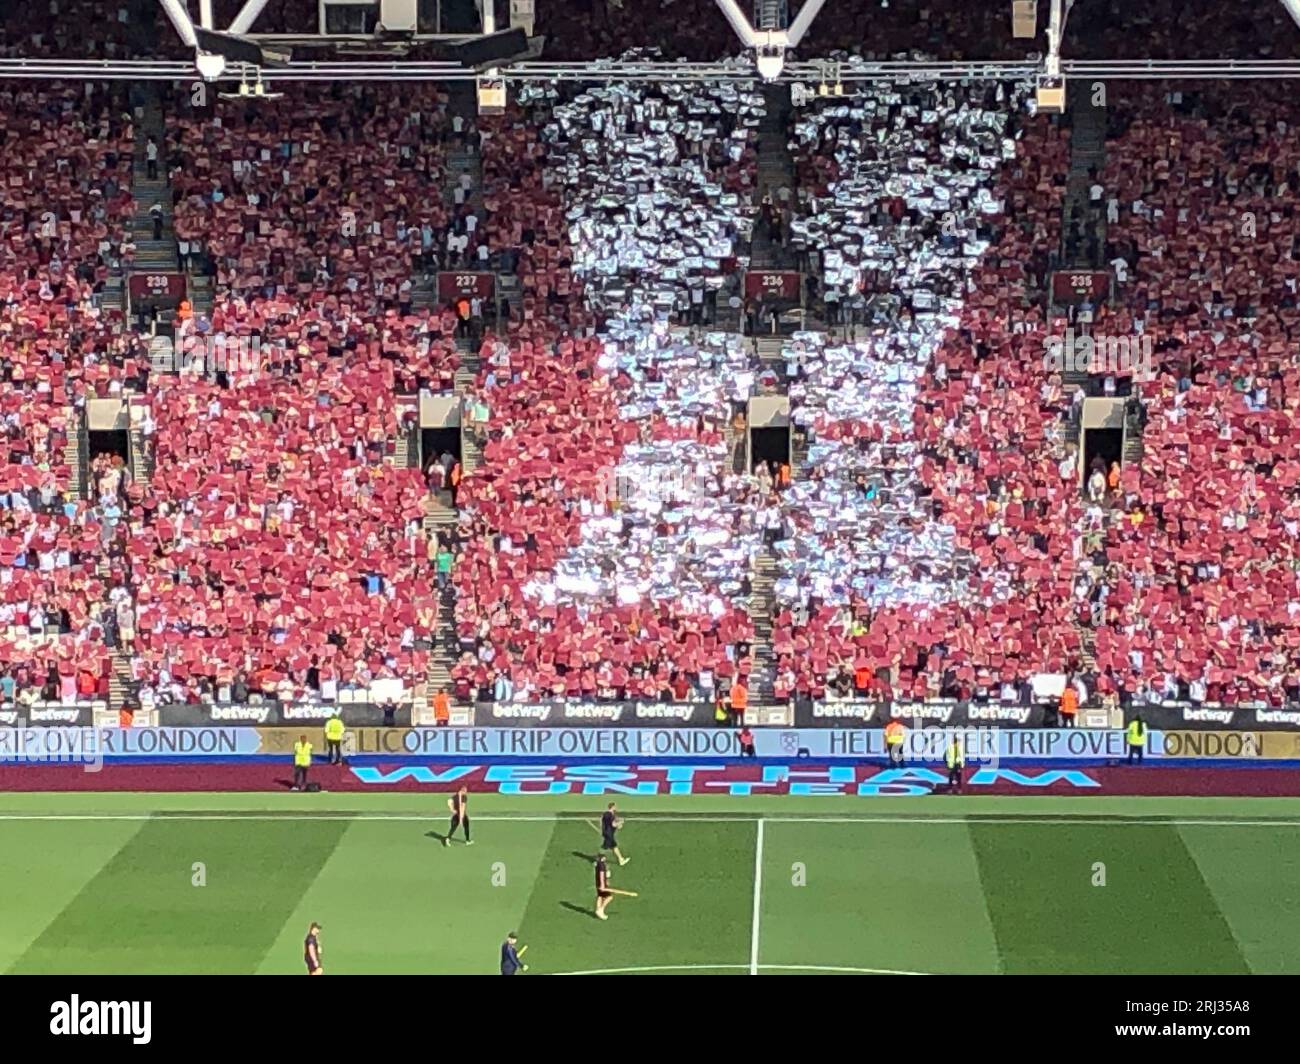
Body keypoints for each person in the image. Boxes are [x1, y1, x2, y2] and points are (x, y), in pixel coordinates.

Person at [601, 802, 629, 866]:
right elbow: (613, 825)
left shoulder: (606, 814)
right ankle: (598, 860)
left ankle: (621, 859)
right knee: (604, 848)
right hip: (609, 834)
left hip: (607, 833)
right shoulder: (610, 815)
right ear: (612, 807)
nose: (616, 808)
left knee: (614, 847)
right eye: (615, 807)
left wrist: (618, 824)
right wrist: (620, 823)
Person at [594, 853, 614, 921]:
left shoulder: (598, 865)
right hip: (602, 884)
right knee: (609, 897)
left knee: (600, 896)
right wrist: (603, 885)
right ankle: (601, 909)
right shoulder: (602, 866)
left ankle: (598, 910)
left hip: (598, 883)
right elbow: (602, 875)